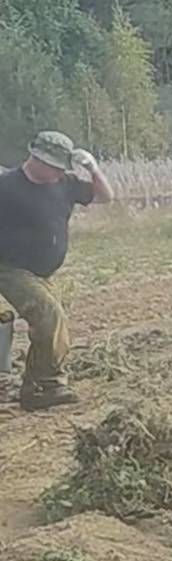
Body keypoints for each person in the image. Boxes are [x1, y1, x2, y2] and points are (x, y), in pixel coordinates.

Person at [0, 131, 112, 412]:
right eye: (54, 167)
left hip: (41, 272)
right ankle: (44, 385)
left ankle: (39, 384)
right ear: (36, 159)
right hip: (10, 267)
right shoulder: (7, 187)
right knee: (50, 313)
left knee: (52, 325)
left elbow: (105, 196)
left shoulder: (66, 184)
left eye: (62, 167)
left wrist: (93, 168)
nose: (58, 172)